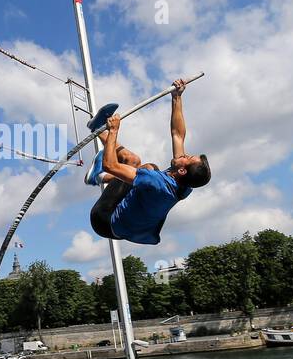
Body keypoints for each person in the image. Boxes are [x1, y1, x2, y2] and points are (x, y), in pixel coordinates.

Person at [87, 78, 210, 245]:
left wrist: (114, 130)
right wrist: (177, 97)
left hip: (104, 220)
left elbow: (110, 165)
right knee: (143, 164)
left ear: (182, 170)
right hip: (127, 228)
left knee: (132, 163)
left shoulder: (156, 182)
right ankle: (97, 128)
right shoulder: (185, 185)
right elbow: (178, 134)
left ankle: (98, 176)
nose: (184, 154)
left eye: (186, 158)